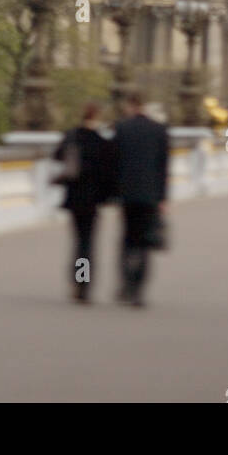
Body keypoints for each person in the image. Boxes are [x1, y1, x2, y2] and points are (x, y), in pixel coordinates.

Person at [111, 90, 169, 307]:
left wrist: (114, 194)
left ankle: (125, 284)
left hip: (127, 195)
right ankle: (138, 291)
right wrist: (163, 198)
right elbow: (163, 168)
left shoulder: (121, 128)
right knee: (145, 243)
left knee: (127, 240)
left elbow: (114, 164)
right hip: (150, 195)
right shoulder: (159, 130)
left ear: (130, 105)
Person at [52, 102, 112, 304]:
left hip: (74, 198)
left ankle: (78, 283)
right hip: (93, 200)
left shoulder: (71, 136)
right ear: (97, 118)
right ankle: (84, 286)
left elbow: (57, 155)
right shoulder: (101, 141)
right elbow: (108, 173)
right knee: (87, 243)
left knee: (78, 242)